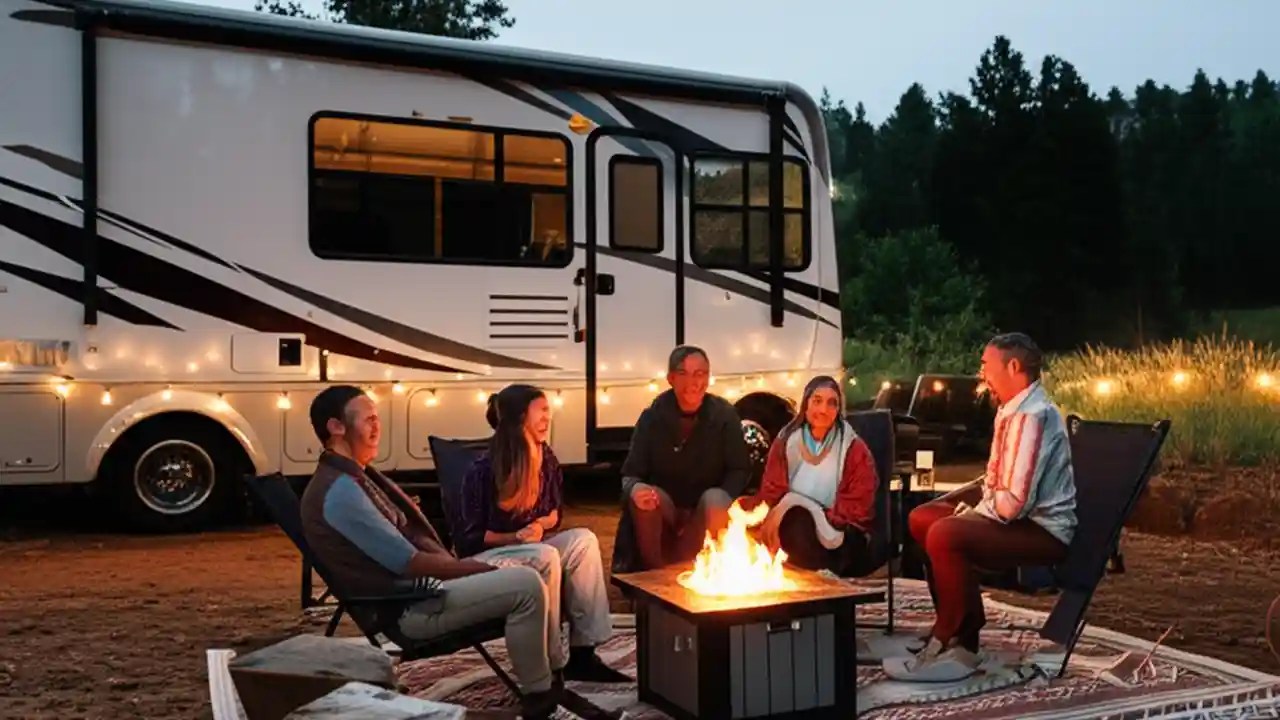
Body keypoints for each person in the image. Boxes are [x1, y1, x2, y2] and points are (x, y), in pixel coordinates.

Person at [298, 385, 561, 718]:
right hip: (410, 608)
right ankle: (539, 696)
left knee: (541, 558)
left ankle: (554, 672)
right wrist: (484, 571)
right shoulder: (340, 492)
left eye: (377, 418)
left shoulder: (354, 477)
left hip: (427, 586)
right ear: (336, 427)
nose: (377, 427)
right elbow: (410, 563)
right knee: (525, 584)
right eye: (368, 420)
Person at [893, 332, 1077, 682]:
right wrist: (967, 504)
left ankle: (949, 633)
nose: (982, 375)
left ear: (1013, 366)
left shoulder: (1031, 417)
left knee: (946, 533)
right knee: (923, 518)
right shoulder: (1012, 409)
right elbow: (995, 484)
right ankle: (967, 628)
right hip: (1015, 518)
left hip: (1042, 530)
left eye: (986, 366)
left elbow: (1013, 504)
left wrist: (970, 515)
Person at [455, 384, 628, 683]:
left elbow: (555, 514)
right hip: (490, 556)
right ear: (521, 417)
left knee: (584, 540)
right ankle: (550, 662)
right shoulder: (484, 469)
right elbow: (468, 539)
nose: (548, 418)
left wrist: (540, 526)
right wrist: (516, 537)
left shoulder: (545, 457)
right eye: (542, 411)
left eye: (549, 411)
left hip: (532, 546)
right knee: (546, 554)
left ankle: (584, 653)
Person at [614, 345, 753, 571]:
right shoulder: (652, 418)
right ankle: (655, 576)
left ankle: (709, 568)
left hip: (705, 507)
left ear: (708, 378)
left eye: (700, 374)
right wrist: (635, 489)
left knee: (716, 498)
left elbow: (739, 469)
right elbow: (631, 473)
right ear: (670, 378)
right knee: (646, 498)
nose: (692, 382)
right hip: (666, 509)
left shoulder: (724, 416)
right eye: (683, 373)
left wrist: (722, 502)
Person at [740, 375, 878, 576]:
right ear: (806, 405)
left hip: (841, 532)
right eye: (817, 401)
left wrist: (817, 513)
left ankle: (818, 583)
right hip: (788, 521)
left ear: (838, 410)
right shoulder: (785, 442)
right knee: (783, 521)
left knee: (799, 521)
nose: (823, 410)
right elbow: (772, 492)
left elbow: (860, 504)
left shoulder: (854, 449)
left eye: (832, 403)